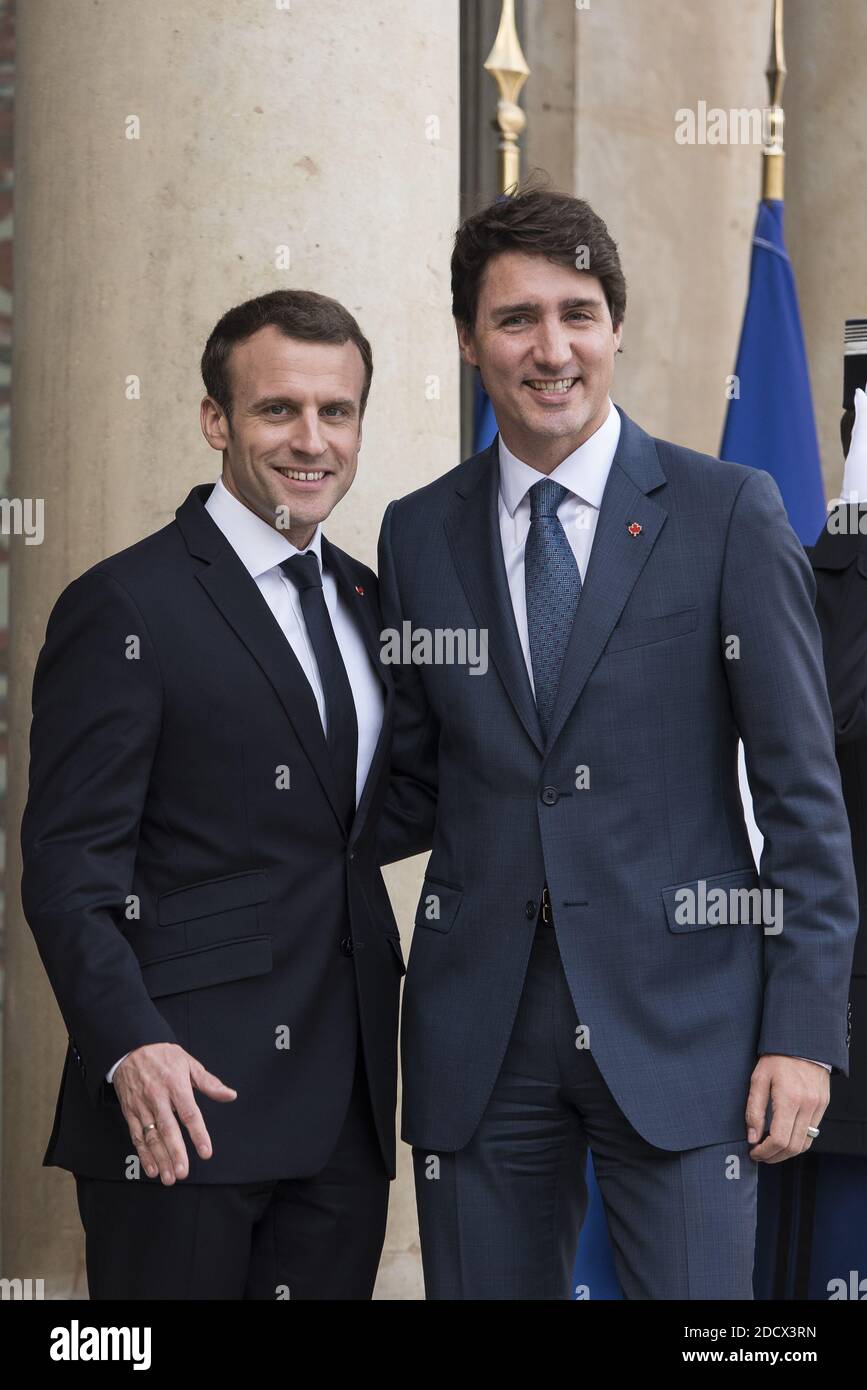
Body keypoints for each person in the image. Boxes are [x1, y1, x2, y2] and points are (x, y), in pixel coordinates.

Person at [376, 187, 859, 1300]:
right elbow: (408, 780)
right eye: (516, 319)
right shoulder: (417, 531)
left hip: (689, 1031)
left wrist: (802, 1031)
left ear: (617, 327)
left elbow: (802, 801)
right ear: (465, 340)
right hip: (477, 1042)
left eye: (578, 312)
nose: (552, 349)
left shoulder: (728, 510)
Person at [21, 289, 412, 1300]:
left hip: (346, 1109)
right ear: (215, 421)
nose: (311, 440)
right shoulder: (125, 603)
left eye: (337, 412)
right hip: (182, 1101)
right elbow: (67, 870)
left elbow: (363, 822)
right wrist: (130, 1045)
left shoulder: (374, 604)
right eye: (278, 409)